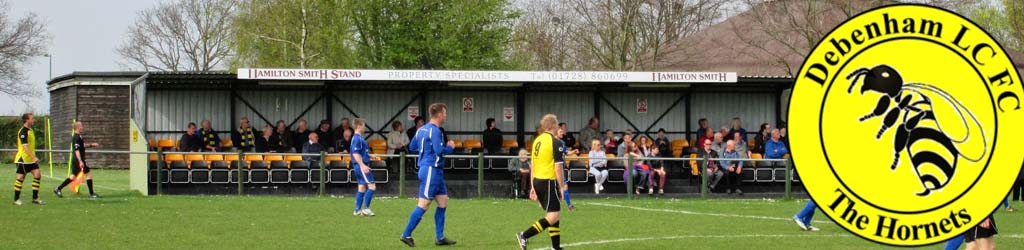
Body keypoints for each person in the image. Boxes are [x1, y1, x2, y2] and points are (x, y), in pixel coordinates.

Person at [401, 103, 457, 247]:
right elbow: (439, 151)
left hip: (434, 171)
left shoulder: (421, 130)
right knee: (424, 204)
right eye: (444, 113)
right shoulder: (435, 130)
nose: (445, 116)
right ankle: (406, 234)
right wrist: (450, 146)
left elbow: (413, 147)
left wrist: (426, 148)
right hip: (431, 170)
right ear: (439, 115)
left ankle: (440, 237)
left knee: (443, 202)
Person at [516, 114, 566, 250]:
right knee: (553, 216)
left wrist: (533, 186)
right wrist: (562, 186)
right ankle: (524, 235)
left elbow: (534, 165)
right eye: (557, 125)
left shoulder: (537, 141)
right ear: (553, 126)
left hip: (538, 180)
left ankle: (556, 247)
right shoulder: (556, 142)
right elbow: (558, 167)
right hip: (548, 181)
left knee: (553, 214)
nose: (558, 127)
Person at [54, 121, 101, 198]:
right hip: (78, 160)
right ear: (78, 127)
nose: (82, 127)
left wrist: (91, 145)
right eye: (81, 126)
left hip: (78, 160)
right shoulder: (76, 137)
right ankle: (92, 194)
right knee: (88, 174)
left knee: (73, 177)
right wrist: (80, 161)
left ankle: (58, 189)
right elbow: (76, 150)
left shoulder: (79, 136)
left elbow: (81, 146)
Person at [13, 113, 43, 205]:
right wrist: (33, 157)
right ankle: (16, 199)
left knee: (37, 175)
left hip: (30, 159)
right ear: (26, 120)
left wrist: (33, 157)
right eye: (32, 119)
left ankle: (35, 198)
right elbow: (25, 147)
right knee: (21, 178)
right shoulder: (23, 132)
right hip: (23, 159)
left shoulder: (31, 130)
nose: (33, 120)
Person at [351, 118, 377, 217]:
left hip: (359, 165)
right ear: (358, 126)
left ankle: (357, 210)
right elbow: (355, 154)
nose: (364, 127)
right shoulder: (357, 138)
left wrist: (370, 156)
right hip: (361, 166)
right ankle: (366, 208)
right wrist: (363, 165)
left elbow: (361, 153)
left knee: (361, 187)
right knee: (372, 186)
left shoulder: (359, 138)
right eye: (363, 125)